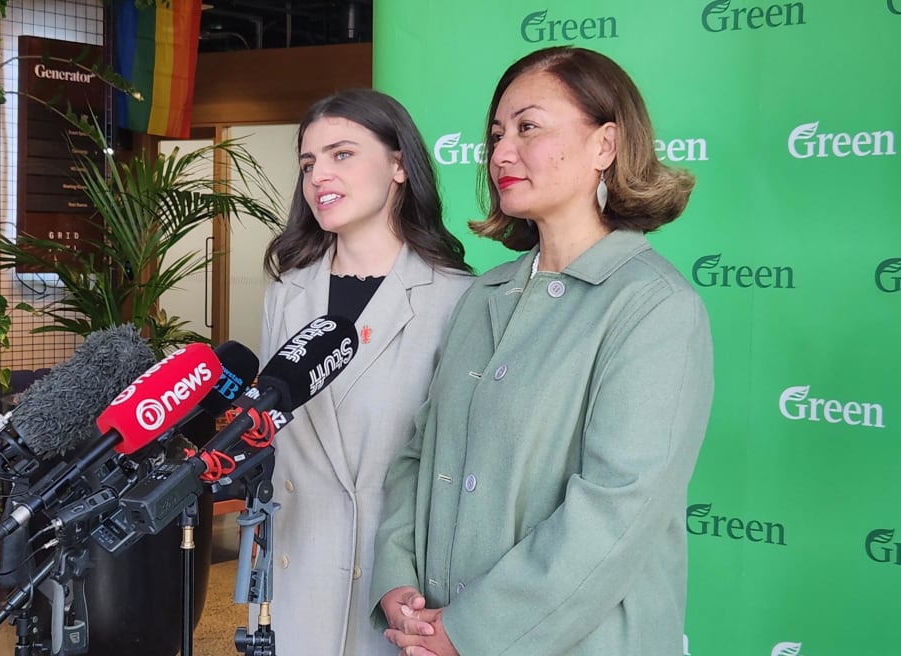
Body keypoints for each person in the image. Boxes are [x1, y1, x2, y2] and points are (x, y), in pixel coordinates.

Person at [370, 45, 715, 656]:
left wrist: (470, 631)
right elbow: (418, 455)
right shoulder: (484, 296)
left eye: (528, 127)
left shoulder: (654, 305)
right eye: (497, 132)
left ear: (605, 146)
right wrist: (397, 580)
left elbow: (617, 510)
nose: (501, 151)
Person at [258, 88, 474, 656]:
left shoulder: (459, 299)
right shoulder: (287, 294)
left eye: (342, 154)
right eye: (308, 163)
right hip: (298, 568)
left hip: (400, 588)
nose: (318, 175)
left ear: (399, 164)